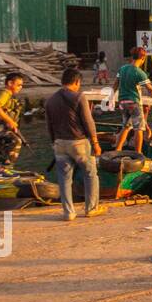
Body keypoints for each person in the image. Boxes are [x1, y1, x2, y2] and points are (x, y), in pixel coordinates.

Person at [45, 67, 105, 221]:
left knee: (64, 179)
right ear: (77, 82)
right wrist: (96, 142)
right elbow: (88, 122)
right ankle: (91, 208)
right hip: (78, 143)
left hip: (59, 143)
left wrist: (54, 142)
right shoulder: (79, 97)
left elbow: (49, 125)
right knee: (90, 174)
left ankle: (68, 212)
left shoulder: (50, 100)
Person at [111, 47, 152, 153]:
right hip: (133, 102)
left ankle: (117, 150)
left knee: (126, 126)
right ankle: (138, 154)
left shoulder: (122, 69)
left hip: (122, 102)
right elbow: (151, 90)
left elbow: (115, 84)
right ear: (143, 58)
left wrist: (110, 97)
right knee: (139, 128)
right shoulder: (140, 73)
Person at [0, 72, 25, 170]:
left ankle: (0, 171)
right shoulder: (5, 93)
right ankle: (6, 169)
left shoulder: (10, 96)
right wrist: (10, 121)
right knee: (16, 141)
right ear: (10, 83)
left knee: (3, 150)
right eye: (18, 85)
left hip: (3, 127)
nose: (20, 87)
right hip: (1, 127)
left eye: (21, 85)